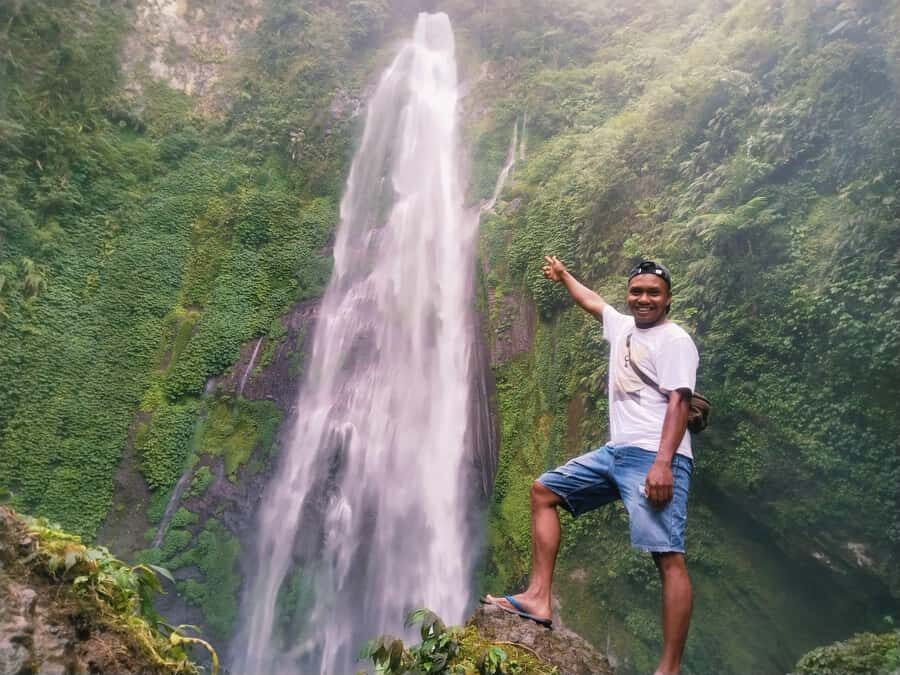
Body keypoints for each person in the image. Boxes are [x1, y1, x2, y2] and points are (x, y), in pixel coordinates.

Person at [485, 256, 699, 675]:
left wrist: (663, 463)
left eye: (653, 292)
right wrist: (565, 276)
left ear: (668, 299)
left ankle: (669, 668)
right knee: (543, 492)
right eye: (636, 291)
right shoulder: (622, 327)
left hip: (653, 457)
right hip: (615, 453)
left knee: (667, 555)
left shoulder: (675, 340)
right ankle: (538, 598)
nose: (643, 299)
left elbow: (680, 400)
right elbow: (593, 303)